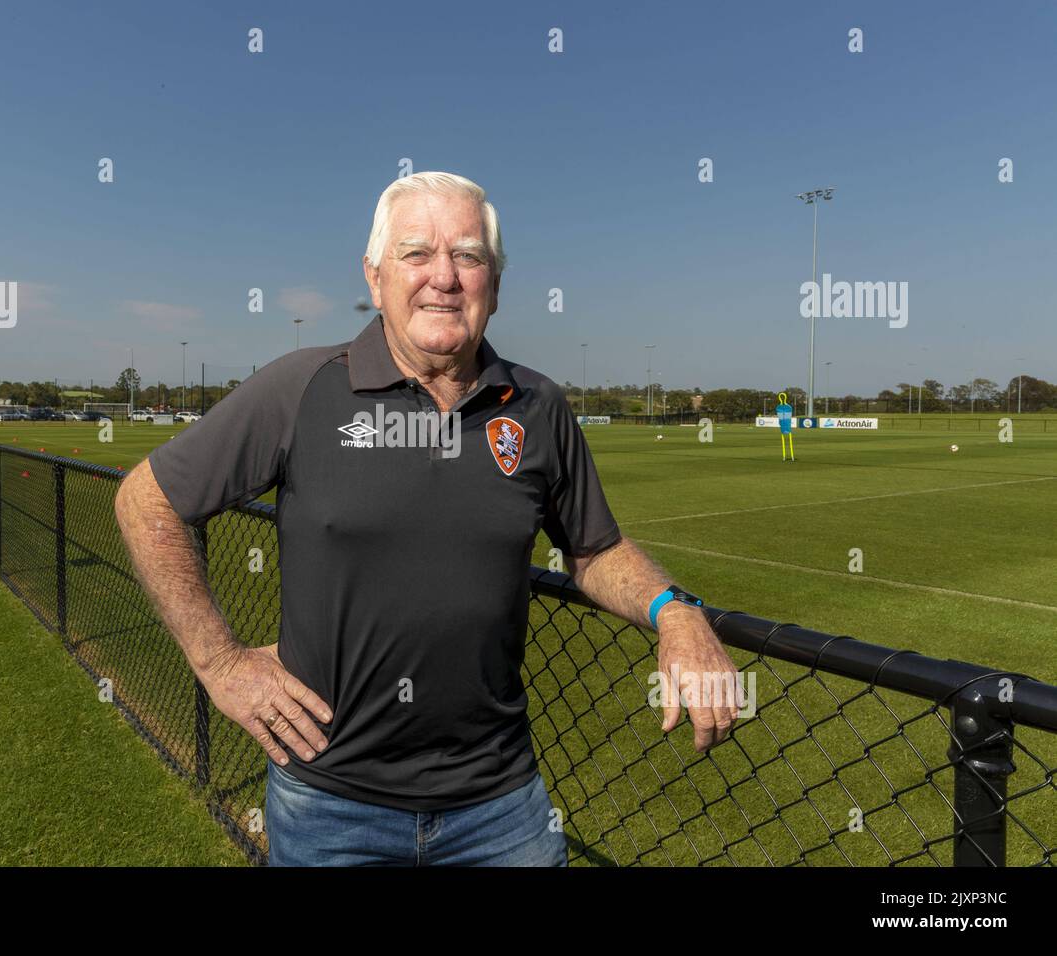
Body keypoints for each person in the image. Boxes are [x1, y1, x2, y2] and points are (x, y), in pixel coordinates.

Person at [114, 171, 740, 866]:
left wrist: (676, 613)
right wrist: (220, 662)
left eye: (469, 256)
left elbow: (594, 549)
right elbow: (147, 499)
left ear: (494, 285)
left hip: (502, 808)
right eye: (417, 254)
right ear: (374, 275)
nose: (444, 276)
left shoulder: (538, 405)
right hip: (329, 806)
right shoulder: (302, 388)